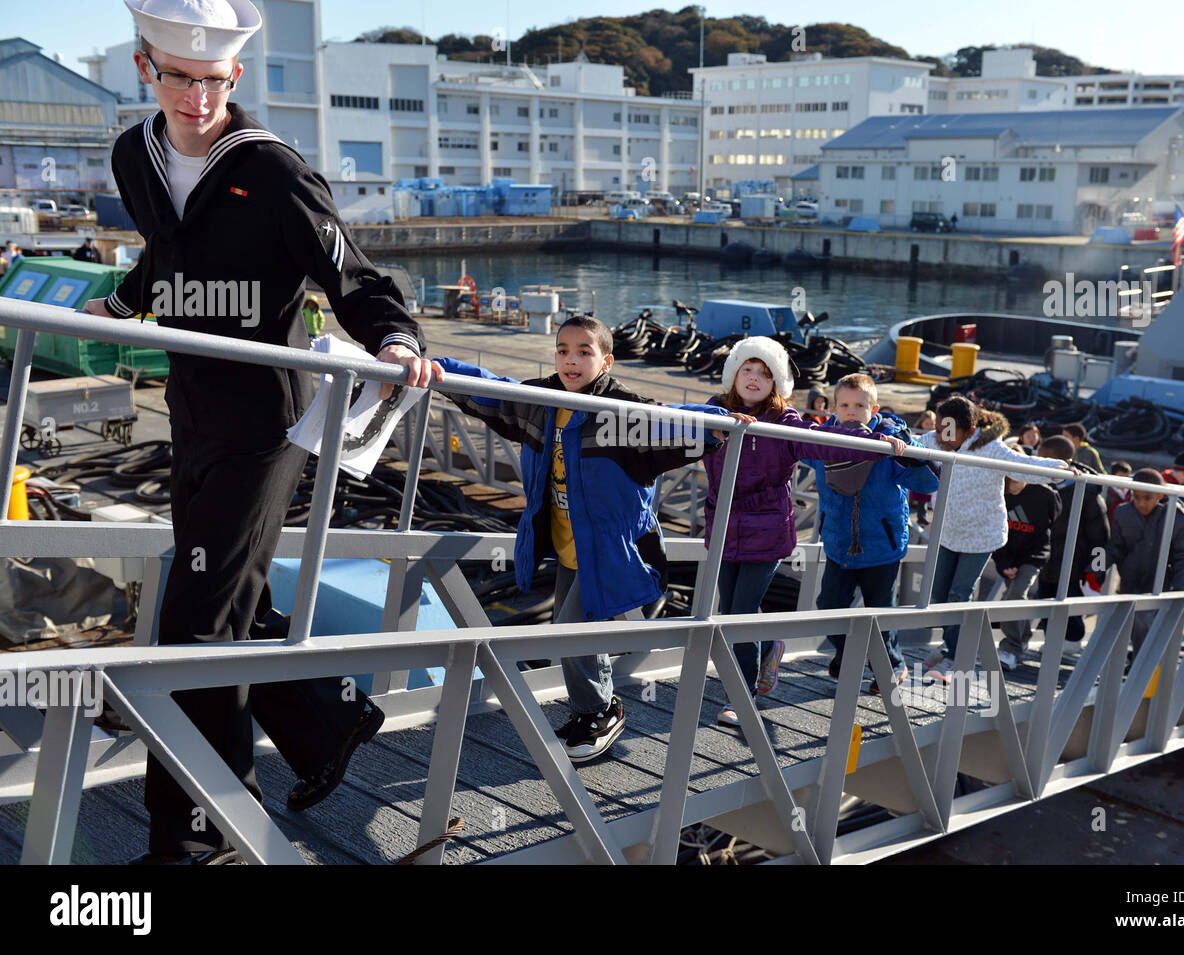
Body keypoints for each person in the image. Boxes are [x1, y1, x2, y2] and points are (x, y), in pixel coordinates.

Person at [82, 0, 434, 865]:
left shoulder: (272, 171)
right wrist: (124, 306)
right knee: (223, 606)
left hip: (264, 425)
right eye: (178, 78)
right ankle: (322, 716)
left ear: (233, 78)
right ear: (145, 70)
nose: (196, 97)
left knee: (195, 626)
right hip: (189, 411)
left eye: (211, 81)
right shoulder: (136, 155)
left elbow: (348, 270)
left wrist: (396, 336)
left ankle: (198, 837)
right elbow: (167, 250)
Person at [431, 316, 744, 760]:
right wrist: (437, 370)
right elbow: (491, 389)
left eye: (583, 352)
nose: (570, 360)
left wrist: (716, 422)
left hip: (609, 547)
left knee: (571, 630)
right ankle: (591, 710)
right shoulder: (540, 401)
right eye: (562, 350)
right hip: (566, 543)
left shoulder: (619, 414)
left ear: (606, 361)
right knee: (574, 631)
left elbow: (669, 419)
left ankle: (602, 711)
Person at [703, 337, 906, 724]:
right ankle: (768, 649)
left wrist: (876, 441)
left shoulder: (785, 421)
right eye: (747, 369)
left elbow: (829, 443)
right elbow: (681, 421)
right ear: (734, 374)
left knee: (739, 615)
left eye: (765, 374)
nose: (753, 379)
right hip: (723, 525)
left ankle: (741, 696)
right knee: (729, 608)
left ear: (777, 382)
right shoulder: (714, 409)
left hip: (766, 531)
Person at [916, 395, 1071, 683]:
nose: (945, 438)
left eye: (951, 431)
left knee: (959, 593)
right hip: (948, 530)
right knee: (937, 594)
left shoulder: (989, 448)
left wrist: (1058, 469)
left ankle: (954, 653)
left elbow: (1022, 465)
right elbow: (909, 443)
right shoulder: (935, 440)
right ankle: (952, 642)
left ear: (970, 428)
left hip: (981, 533)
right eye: (940, 430)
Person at [806, 373, 938, 692]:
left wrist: (908, 451)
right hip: (839, 543)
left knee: (880, 613)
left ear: (874, 409)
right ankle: (847, 652)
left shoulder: (889, 442)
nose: (851, 411)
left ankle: (891, 666)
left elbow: (929, 482)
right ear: (835, 408)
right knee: (828, 607)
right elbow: (792, 447)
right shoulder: (827, 442)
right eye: (845, 405)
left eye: (860, 405)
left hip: (882, 545)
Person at [1103, 469, 1184, 655]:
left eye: (1147, 498)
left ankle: (1143, 666)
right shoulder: (1123, 513)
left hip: (1162, 584)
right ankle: (1136, 664)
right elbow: (1115, 547)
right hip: (1130, 581)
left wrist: (1181, 588)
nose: (1141, 503)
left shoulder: (1180, 520)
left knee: (1145, 622)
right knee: (1129, 625)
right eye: (1136, 497)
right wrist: (1096, 568)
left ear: (1160, 495)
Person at [1034, 435, 1110, 652]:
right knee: (1044, 597)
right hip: (1047, 558)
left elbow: (1100, 540)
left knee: (1069, 599)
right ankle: (1052, 639)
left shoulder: (1088, 495)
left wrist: (1096, 572)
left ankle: (1072, 638)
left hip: (1075, 562)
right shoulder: (1042, 486)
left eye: (1045, 459)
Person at [990, 445, 1062, 671]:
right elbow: (993, 530)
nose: (1012, 485)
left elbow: (1053, 528)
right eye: (1008, 479)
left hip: (1034, 554)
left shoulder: (1045, 495)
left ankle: (1012, 648)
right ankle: (1022, 639)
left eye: (1017, 478)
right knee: (1014, 599)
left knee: (1015, 595)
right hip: (1007, 553)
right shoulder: (996, 492)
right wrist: (1004, 562)